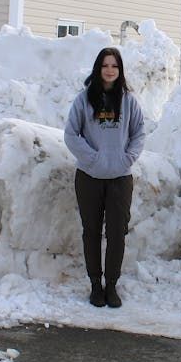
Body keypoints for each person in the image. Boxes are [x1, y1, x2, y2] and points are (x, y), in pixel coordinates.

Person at [63, 47, 145, 308]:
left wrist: (127, 158)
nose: (110, 70)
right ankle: (95, 285)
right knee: (92, 232)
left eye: (115, 66)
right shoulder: (84, 99)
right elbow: (71, 134)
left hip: (120, 178)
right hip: (89, 177)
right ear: (98, 69)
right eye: (105, 65)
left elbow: (139, 133)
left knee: (117, 234)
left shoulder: (128, 101)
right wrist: (93, 158)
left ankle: (112, 285)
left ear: (120, 71)